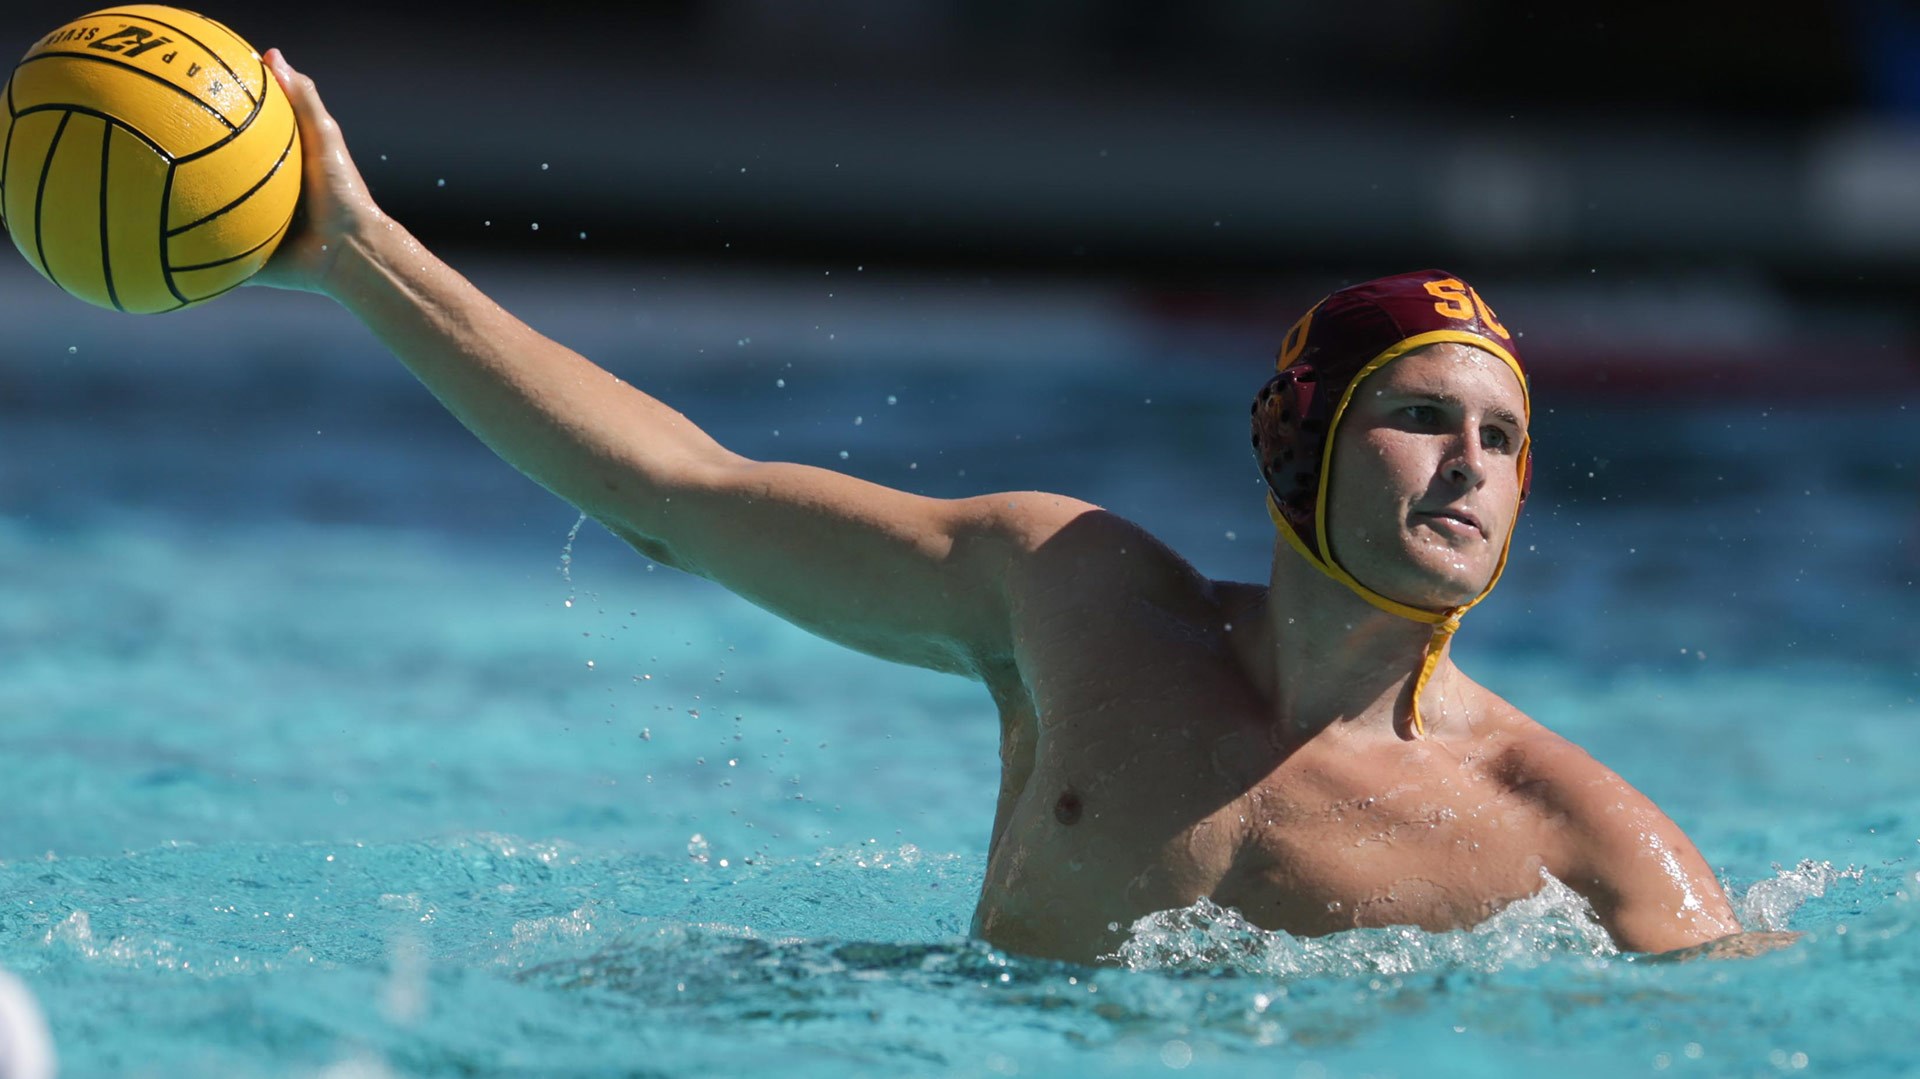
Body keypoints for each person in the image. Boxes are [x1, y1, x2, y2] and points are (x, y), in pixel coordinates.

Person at [252, 50, 1781, 965]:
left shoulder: (1576, 838)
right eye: (1422, 418)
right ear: (1300, 445)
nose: (1471, 466)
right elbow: (681, 494)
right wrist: (357, 249)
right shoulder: (1079, 599)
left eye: (1506, 440)